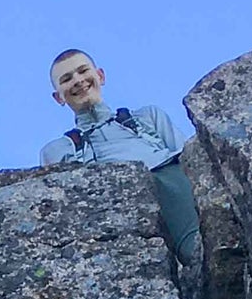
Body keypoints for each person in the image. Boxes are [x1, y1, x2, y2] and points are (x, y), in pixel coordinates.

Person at [40, 48, 203, 271]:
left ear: (101, 76)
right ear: (58, 97)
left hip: (173, 191)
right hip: (115, 214)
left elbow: (192, 161)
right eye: (66, 79)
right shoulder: (56, 151)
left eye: (82, 71)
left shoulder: (148, 117)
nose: (78, 81)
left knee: (197, 251)